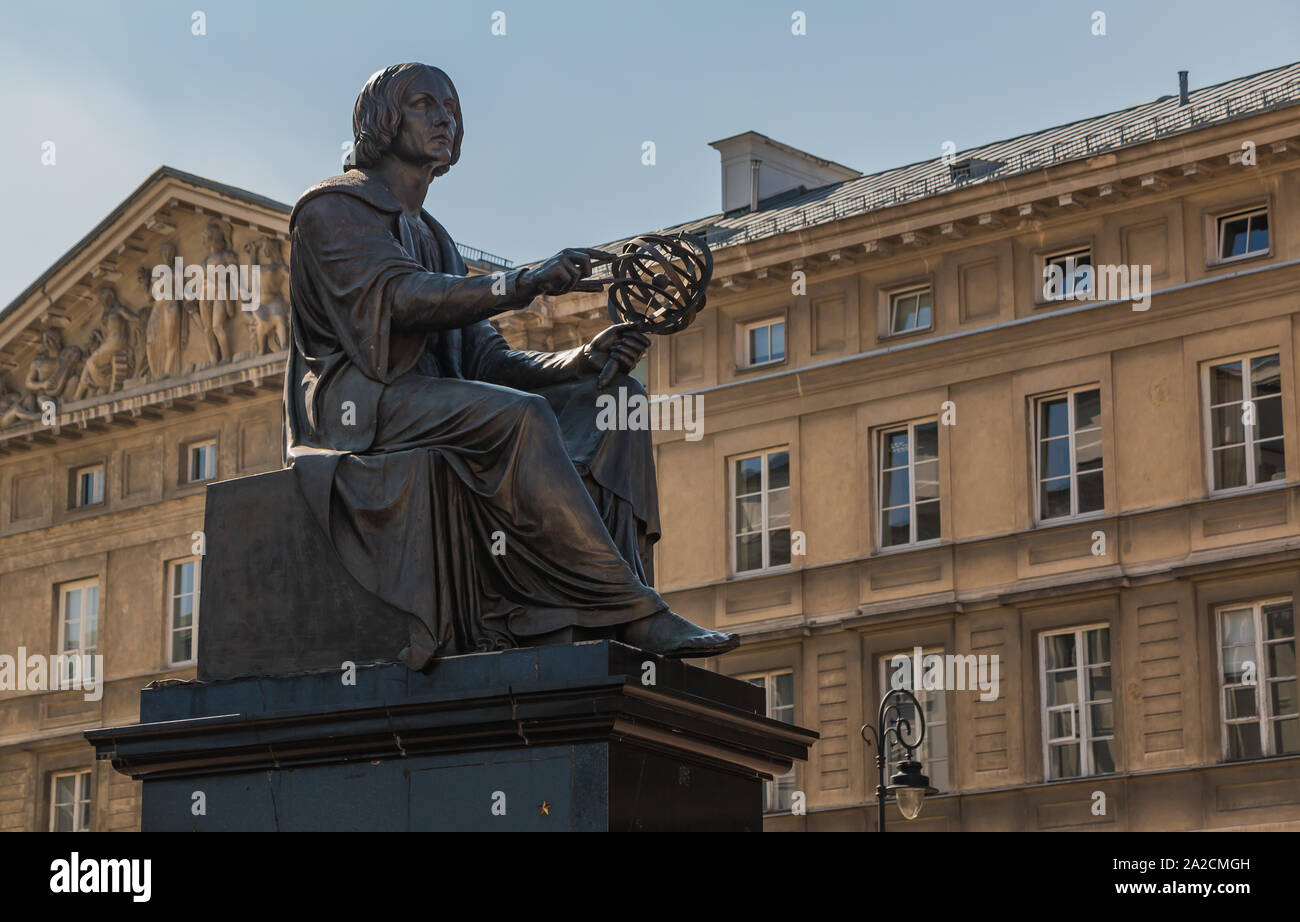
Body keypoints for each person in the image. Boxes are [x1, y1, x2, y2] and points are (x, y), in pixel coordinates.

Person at [286, 62, 738, 669]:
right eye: (425, 104)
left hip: (429, 405)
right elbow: (402, 298)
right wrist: (523, 283)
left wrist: (583, 359)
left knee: (618, 401)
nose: (445, 118)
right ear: (382, 120)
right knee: (517, 419)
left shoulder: (436, 237)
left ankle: (576, 616)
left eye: (452, 109)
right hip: (359, 407)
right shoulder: (332, 210)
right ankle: (634, 610)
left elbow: (488, 359)